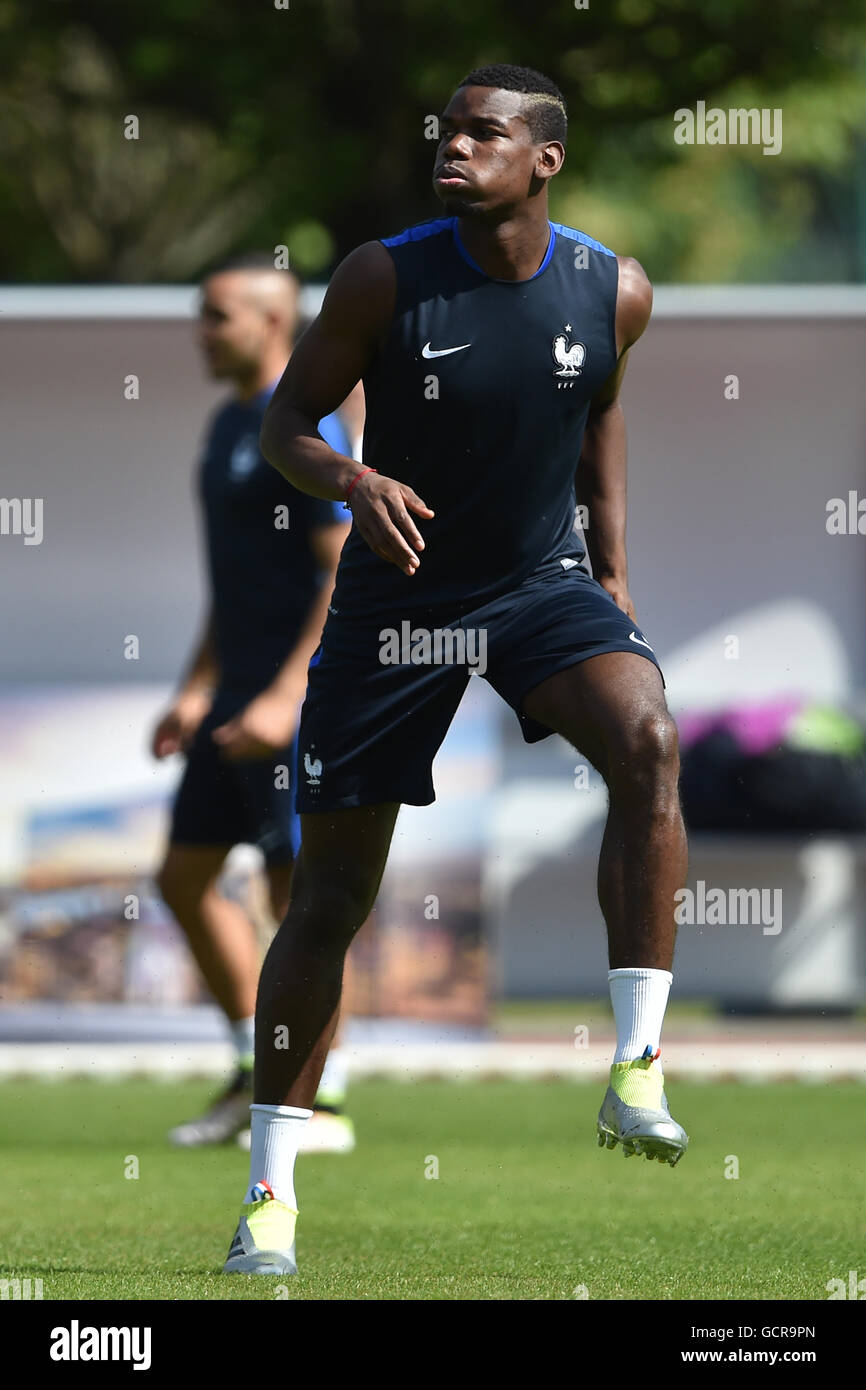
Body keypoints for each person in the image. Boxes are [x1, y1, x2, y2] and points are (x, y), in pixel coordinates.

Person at [221, 66, 688, 1277]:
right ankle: (269, 1193)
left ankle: (635, 1066)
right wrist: (353, 479)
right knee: (329, 899)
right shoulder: (382, 274)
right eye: (448, 127)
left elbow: (597, 415)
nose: (454, 143)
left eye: (484, 132)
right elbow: (286, 428)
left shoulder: (613, 289)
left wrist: (615, 572)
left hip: (537, 588)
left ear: (543, 161)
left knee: (645, 736)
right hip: (392, 605)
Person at [152, 254, 354, 1154]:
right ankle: (253, 1064)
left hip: (294, 701)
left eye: (216, 314)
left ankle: (326, 1101)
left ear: (273, 322)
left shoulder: (307, 428)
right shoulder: (225, 423)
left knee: (297, 895)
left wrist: (283, 695)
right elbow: (231, 584)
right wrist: (196, 686)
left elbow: (343, 566)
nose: (201, 331)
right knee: (184, 879)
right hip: (230, 696)